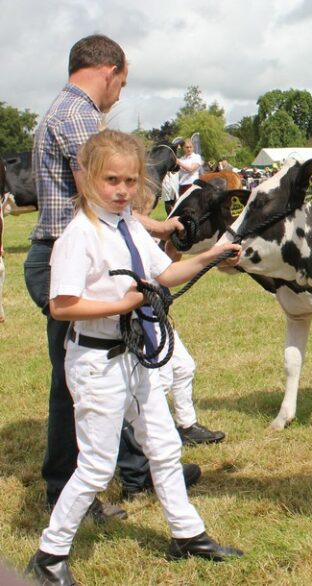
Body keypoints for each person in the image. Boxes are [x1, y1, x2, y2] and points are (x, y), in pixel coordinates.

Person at [25, 129, 244, 585]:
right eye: (111, 180)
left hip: (134, 355)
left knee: (164, 447)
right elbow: (61, 305)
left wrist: (214, 254)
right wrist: (123, 306)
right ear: (85, 180)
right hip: (96, 362)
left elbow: (164, 273)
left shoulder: (126, 227)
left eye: (130, 181)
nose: (122, 191)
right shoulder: (78, 236)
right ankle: (49, 556)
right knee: (97, 467)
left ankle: (187, 534)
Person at [23, 34, 192, 526]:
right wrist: (155, 227)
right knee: (80, 375)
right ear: (110, 69)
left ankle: (139, 470)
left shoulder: (61, 108)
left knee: (115, 360)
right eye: (123, 82)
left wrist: (151, 230)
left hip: (68, 251)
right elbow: (101, 197)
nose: (119, 94)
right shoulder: (78, 115)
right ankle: (66, 490)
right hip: (71, 257)